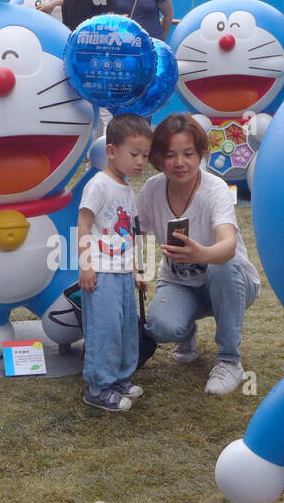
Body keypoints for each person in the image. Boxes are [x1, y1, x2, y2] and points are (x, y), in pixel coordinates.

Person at [137, 113, 260, 395]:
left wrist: (201, 254)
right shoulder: (152, 189)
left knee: (222, 265)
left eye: (188, 153)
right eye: (170, 155)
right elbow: (135, 233)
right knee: (159, 327)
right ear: (157, 157)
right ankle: (185, 330)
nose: (180, 163)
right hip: (180, 283)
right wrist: (135, 268)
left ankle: (230, 361)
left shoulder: (214, 188)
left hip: (233, 282)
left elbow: (227, 245)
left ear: (201, 153)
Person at [78, 113, 151, 412]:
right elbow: (83, 225)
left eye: (145, 156)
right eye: (134, 154)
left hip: (121, 272)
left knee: (125, 328)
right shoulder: (98, 185)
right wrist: (86, 265)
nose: (140, 162)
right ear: (111, 151)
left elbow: (130, 233)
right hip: (101, 272)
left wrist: (136, 270)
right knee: (104, 328)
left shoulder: (125, 187)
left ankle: (120, 378)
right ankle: (97, 387)